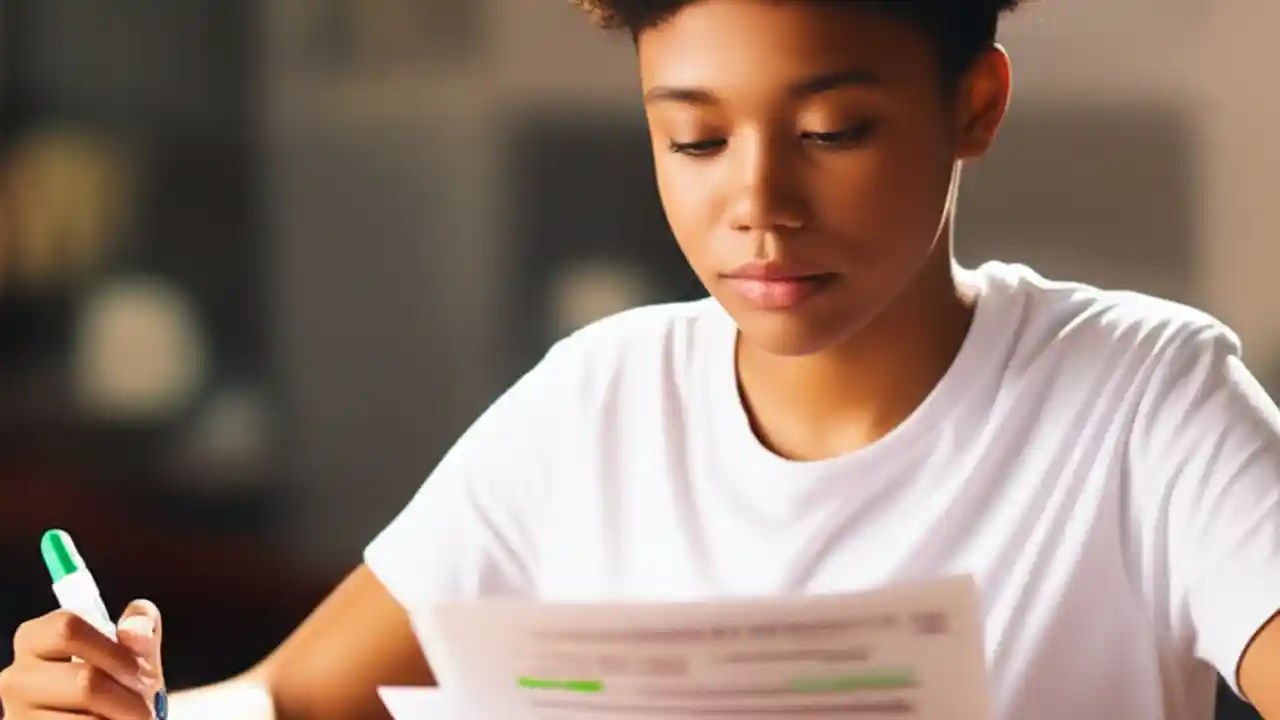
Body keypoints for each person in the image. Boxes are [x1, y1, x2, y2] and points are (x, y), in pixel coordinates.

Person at [4, 1, 1280, 718]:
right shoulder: (595, 402)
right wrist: (131, 709)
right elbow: (292, 703)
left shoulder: (1140, 394)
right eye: (694, 140)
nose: (758, 205)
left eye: (832, 131)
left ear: (974, 108)